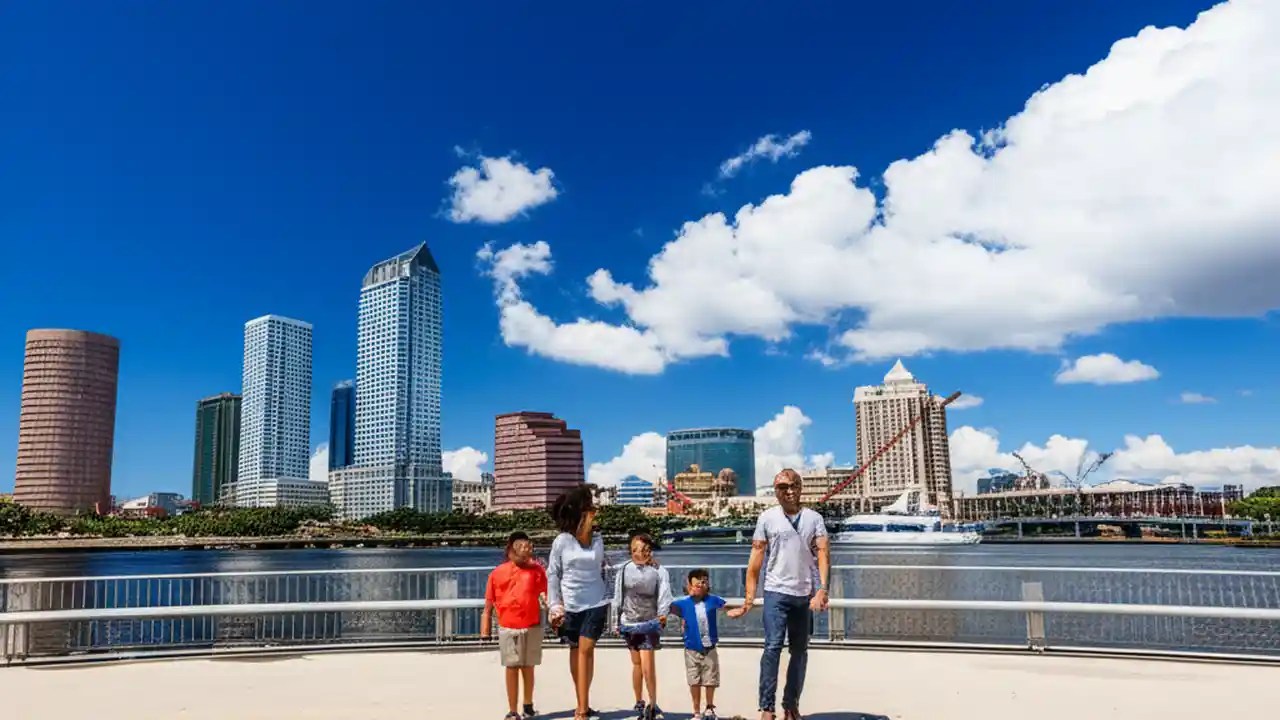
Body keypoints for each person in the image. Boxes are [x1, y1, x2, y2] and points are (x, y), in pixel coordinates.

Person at [727, 469, 831, 720]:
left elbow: (823, 554)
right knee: (772, 647)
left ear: (801, 488)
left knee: (800, 650)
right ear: (775, 491)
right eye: (782, 487)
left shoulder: (814, 518)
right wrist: (748, 601)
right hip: (776, 592)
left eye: (793, 485)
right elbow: (754, 563)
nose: (789, 491)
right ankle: (767, 707)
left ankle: (791, 704)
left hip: (804, 594)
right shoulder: (767, 518)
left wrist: (822, 590)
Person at [547, 486, 609, 720]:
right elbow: (553, 573)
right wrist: (554, 605)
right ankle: (581, 699)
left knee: (586, 650)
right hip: (571, 603)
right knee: (577, 651)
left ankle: (582, 709)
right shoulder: (561, 541)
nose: (594, 510)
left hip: (596, 601)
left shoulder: (598, 538)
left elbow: (601, 564)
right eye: (589, 506)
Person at [481, 531, 549, 720]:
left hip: (532, 624)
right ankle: (512, 709)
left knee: (529, 666)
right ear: (511, 549)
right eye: (521, 546)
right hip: (508, 625)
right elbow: (488, 603)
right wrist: (484, 630)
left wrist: (554, 614)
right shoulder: (498, 572)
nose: (526, 550)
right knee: (511, 667)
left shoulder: (537, 570)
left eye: (528, 546)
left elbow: (546, 595)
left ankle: (527, 704)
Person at [611, 531, 673, 720]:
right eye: (635, 549)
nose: (639, 553)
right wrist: (615, 621)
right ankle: (639, 701)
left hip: (649, 622)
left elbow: (664, 594)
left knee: (648, 665)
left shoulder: (659, 571)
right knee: (636, 664)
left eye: (644, 549)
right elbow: (617, 596)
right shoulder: (623, 569)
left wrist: (662, 614)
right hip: (628, 622)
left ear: (650, 551)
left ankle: (652, 703)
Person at [669, 568, 732, 720]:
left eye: (704, 582)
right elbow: (667, 607)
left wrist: (739, 610)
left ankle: (709, 707)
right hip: (691, 648)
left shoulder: (713, 600)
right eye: (697, 583)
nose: (701, 585)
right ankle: (696, 711)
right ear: (690, 586)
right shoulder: (683, 603)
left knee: (711, 679)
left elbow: (727, 607)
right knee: (694, 680)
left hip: (709, 646)